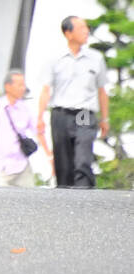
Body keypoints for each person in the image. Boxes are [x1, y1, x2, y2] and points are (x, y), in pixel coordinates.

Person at [37, 16, 110, 188]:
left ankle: (84, 193)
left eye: (86, 27)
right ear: (68, 33)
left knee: (83, 155)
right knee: (63, 160)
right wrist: (39, 117)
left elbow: (102, 91)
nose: (86, 31)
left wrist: (104, 119)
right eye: (81, 28)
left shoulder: (96, 58)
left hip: (84, 113)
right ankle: (65, 197)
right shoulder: (54, 58)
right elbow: (46, 90)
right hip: (61, 113)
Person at [0, 70, 38, 188]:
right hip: (0, 166)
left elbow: (37, 130)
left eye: (23, 85)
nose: (23, 88)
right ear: (8, 87)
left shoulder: (26, 107)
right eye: (19, 85)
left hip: (22, 165)